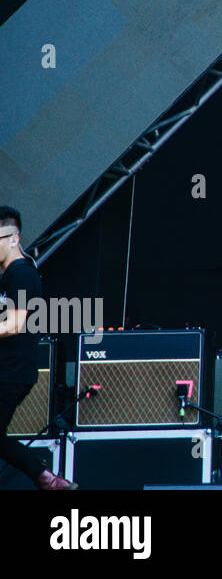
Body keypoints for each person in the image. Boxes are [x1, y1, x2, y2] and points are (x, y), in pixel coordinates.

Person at [0, 206, 76, 489]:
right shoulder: (10, 276)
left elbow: (14, 324)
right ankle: (48, 480)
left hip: (12, 372)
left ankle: (47, 479)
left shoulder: (21, 274)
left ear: (13, 238)